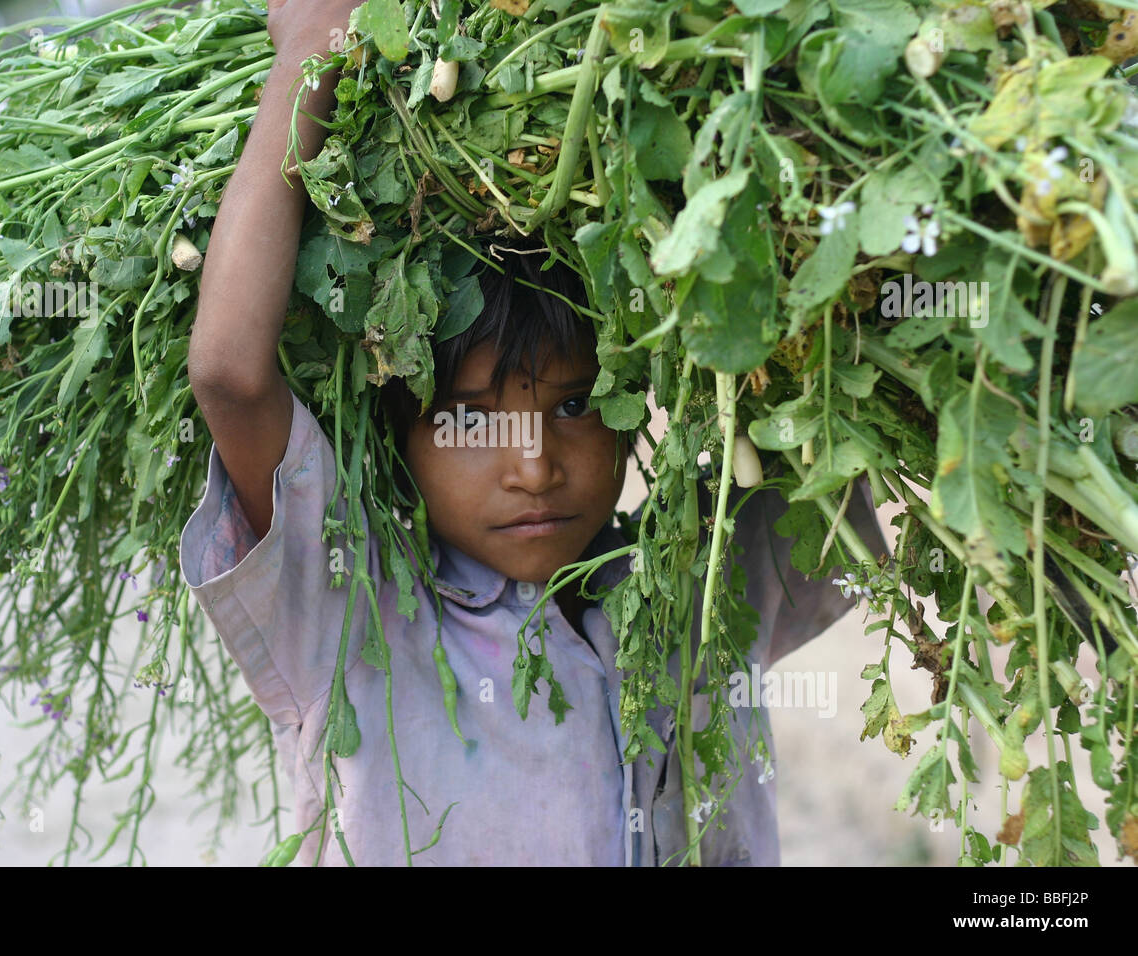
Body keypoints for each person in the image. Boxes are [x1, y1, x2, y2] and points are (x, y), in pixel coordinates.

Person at [181, 0, 886, 865]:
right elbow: (230, 377)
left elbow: (833, 343)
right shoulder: (344, 616)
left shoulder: (706, 588)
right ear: (396, 432)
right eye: (470, 417)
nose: (534, 467)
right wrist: (306, 65)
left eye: (576, 405)